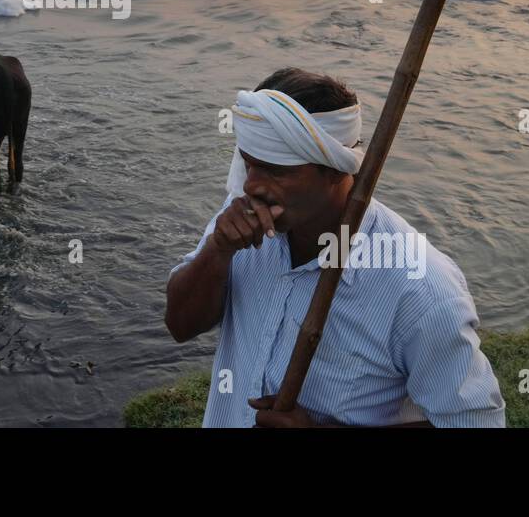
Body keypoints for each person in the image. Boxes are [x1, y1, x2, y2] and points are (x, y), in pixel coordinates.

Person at [165, 67, 505, 427]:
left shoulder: (420, 290)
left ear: (336, 169)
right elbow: (180, 325)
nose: (252, 186)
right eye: (248, 165)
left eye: (274, 170)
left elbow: (476, 422)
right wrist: (217, 251)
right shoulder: (239, 226)